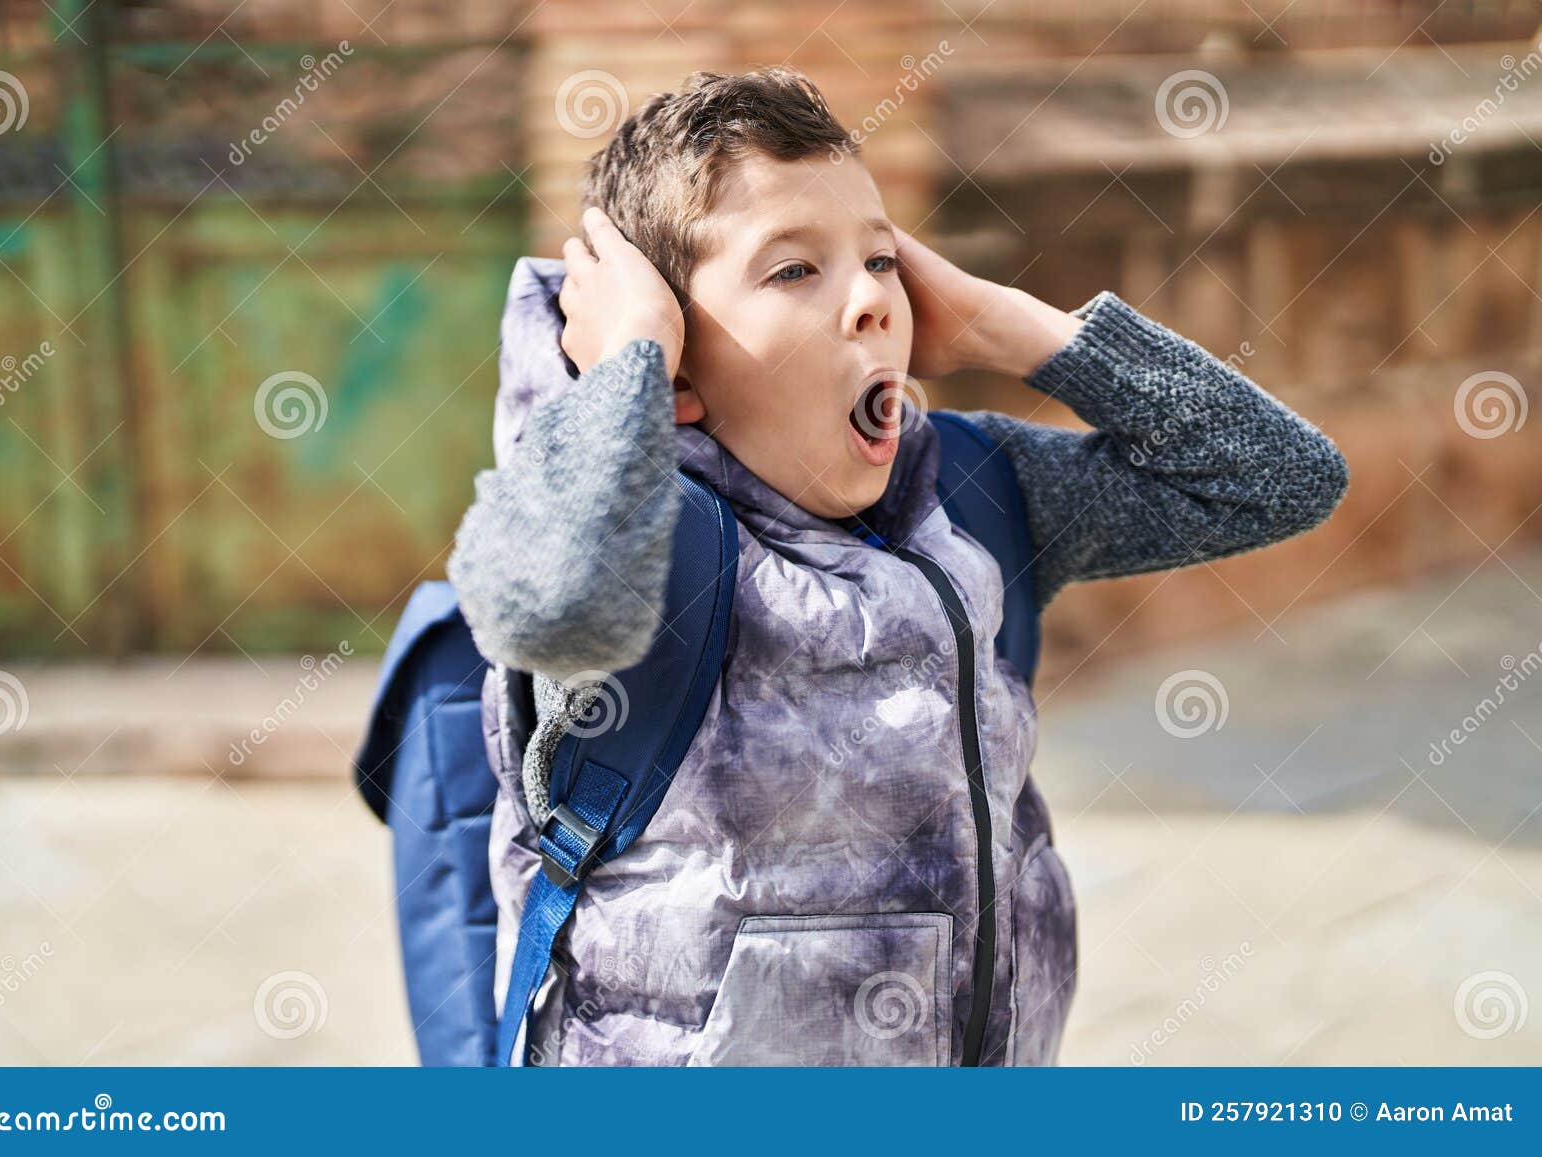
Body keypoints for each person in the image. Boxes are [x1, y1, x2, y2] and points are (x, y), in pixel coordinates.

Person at [448, 66, 1349, 1066]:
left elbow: (1278, 479)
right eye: (795, 269)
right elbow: (544, 608)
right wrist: (628, 366)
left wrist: (1012, 324)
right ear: (679, 364)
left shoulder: (966, 490)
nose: (873, 300)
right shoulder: (637, 535)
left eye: (881, 260)